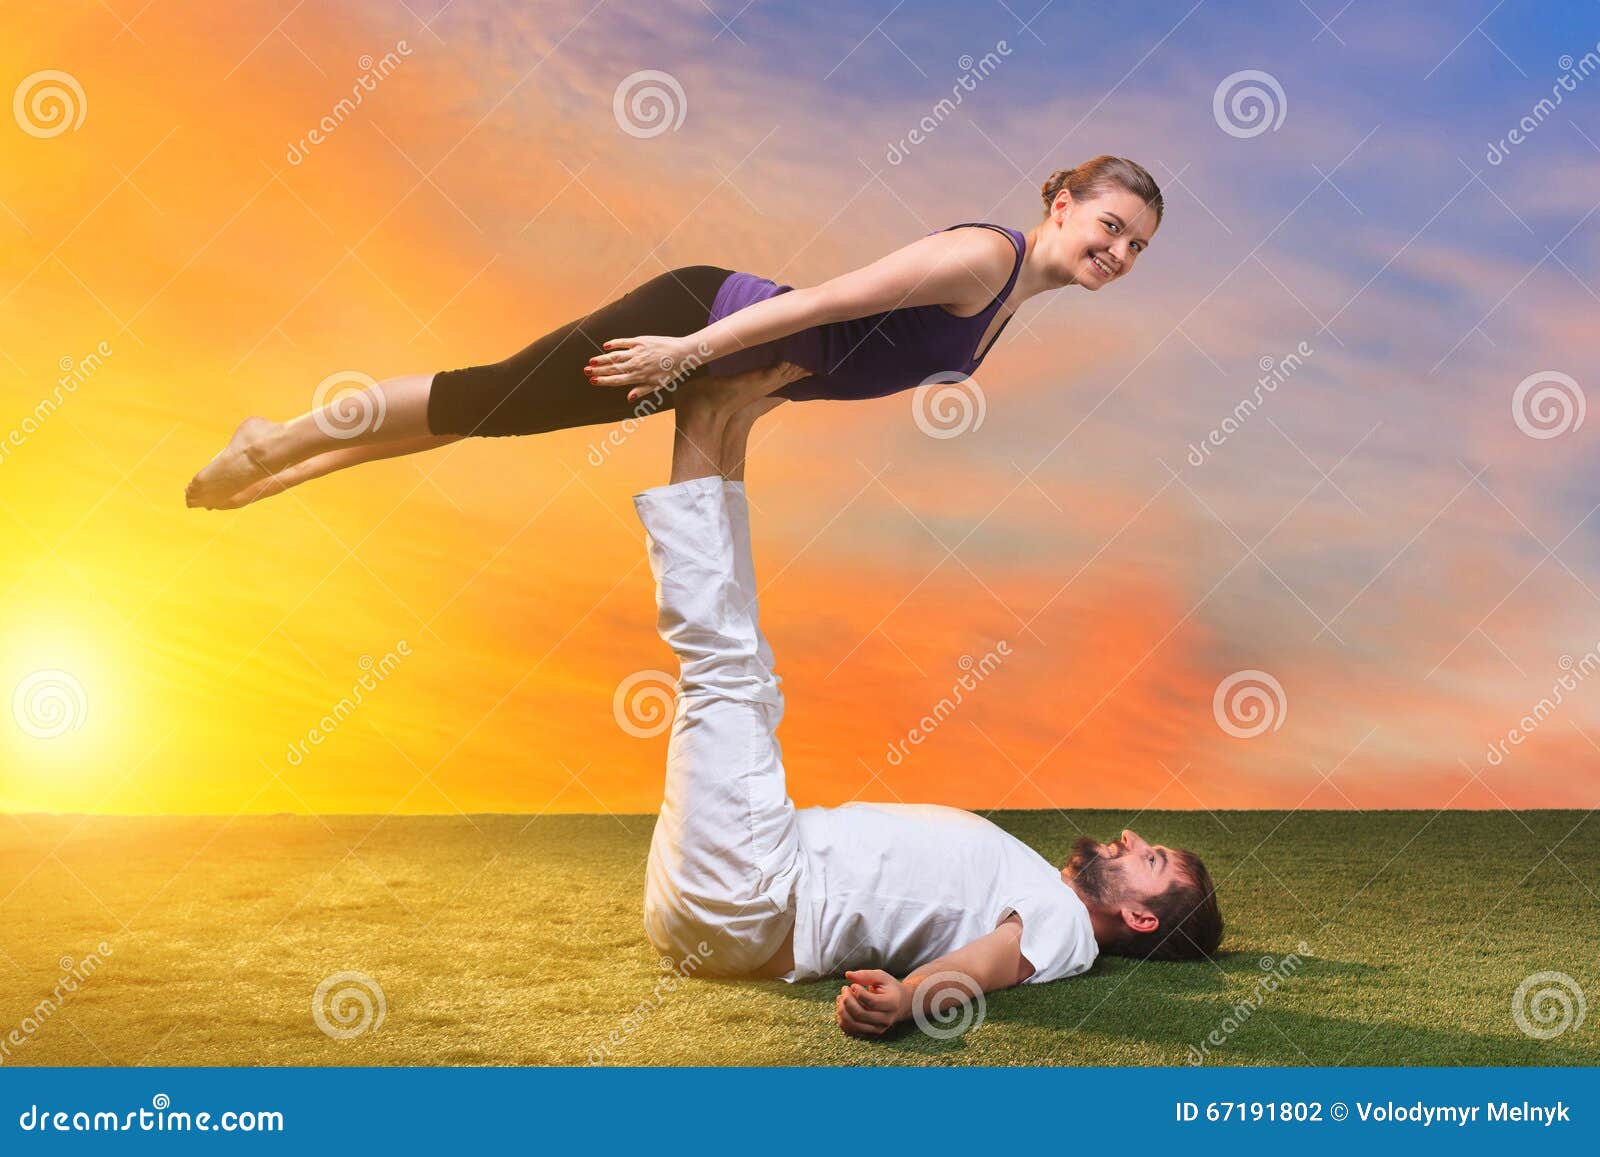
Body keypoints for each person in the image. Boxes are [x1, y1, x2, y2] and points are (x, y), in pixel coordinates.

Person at [636, 362, 1221, 1040]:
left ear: (1142, 918)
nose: (1132, 837)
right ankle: (726, 424)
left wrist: (911, 996)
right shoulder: (1038, 885)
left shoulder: (1065, 928)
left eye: (1150, 860)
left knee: (725, 665)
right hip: (753, 875)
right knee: (745, 671)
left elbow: (993, 961)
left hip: (751, 892)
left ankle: (706, 416)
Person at [185, 157, 1160, 509]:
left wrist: (736, 404)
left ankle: (282, 463)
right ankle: (273, 441)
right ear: (1063, 203)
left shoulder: (1007, 306)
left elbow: (834, 361)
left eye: (1136, 246)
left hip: (715, 356)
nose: (1117, 250)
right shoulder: (984, 260)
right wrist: (687, 352)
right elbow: (828, 300)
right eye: (1110, 225)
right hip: (692, 320)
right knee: (486, 395)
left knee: (492, 414)